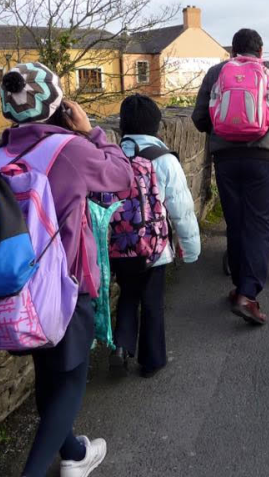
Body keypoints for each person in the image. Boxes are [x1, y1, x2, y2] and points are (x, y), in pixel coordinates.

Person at [0, 63, 134, 477]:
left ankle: (73, 452)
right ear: (58, 104)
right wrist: (92, 131)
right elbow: (122, 176)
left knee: (47, 374)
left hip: (21, 285)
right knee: (72, 381)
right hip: (68, 283)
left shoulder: (0, 155)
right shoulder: (68, 150)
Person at [192, 28, 269, 325]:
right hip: (262, 157)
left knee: (237, 223)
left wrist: (222, 130)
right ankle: (248, 295)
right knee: (262, 224)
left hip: (226, 160)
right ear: (261, 51)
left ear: (232, 52)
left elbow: (199, 118)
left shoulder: (217, 72)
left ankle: (240, 287)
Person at [108, 94, 201, 377]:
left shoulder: (111, 157)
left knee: (127, 294)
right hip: (154, 249)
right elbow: (181, 208)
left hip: (119, 247)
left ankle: (122, 344)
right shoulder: (164, 160)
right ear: (156, 127)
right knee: (152, 303)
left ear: (123, 126)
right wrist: (190, 247)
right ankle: (151, 361)